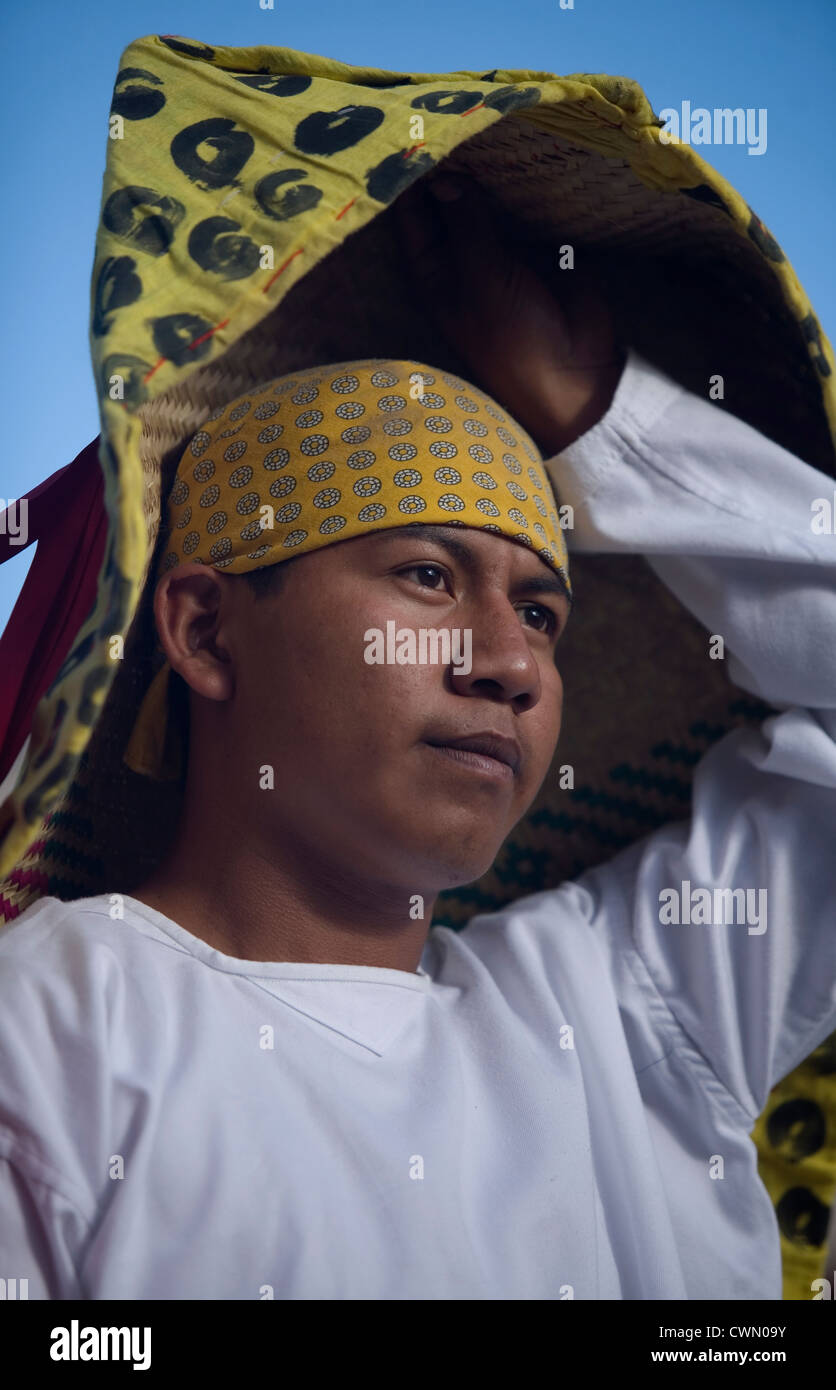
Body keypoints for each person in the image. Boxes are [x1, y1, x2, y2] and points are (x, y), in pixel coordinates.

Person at [0, 175, 834, 1301]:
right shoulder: (51, 1021)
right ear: (205, 630)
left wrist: (605, 424)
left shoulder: (624, 1014)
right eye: (428, 576)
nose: (510, 664)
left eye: (541, 613)